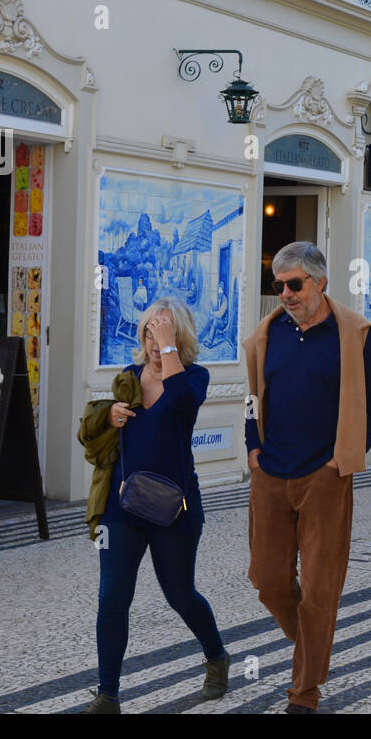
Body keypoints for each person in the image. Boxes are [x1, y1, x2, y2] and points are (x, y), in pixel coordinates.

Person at [242, 242, 371, 713]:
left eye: (295, 284)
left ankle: (303, 694)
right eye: (278, 284)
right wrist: (252, 451)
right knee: (268, 581)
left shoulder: (354, 334)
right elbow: (252, 399)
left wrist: (338, 462)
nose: (285, 293)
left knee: (320, 591)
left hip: (324, 478)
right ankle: (312, 635)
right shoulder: (267, 334)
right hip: (270, 476)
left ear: (321, 283)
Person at [77, 299, 229, 713]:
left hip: (173, 506)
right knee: (112, 599)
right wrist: (110, 417)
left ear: (179, 338)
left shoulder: (195, 377)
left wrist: (167, 350)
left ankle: (216, 656)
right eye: (148, 331)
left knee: (180, 594)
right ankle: (108, 694)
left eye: (162, 332)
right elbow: (99, 427)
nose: (152, 339)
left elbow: (180, 403)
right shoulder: (128, 377)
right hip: (122, 505)